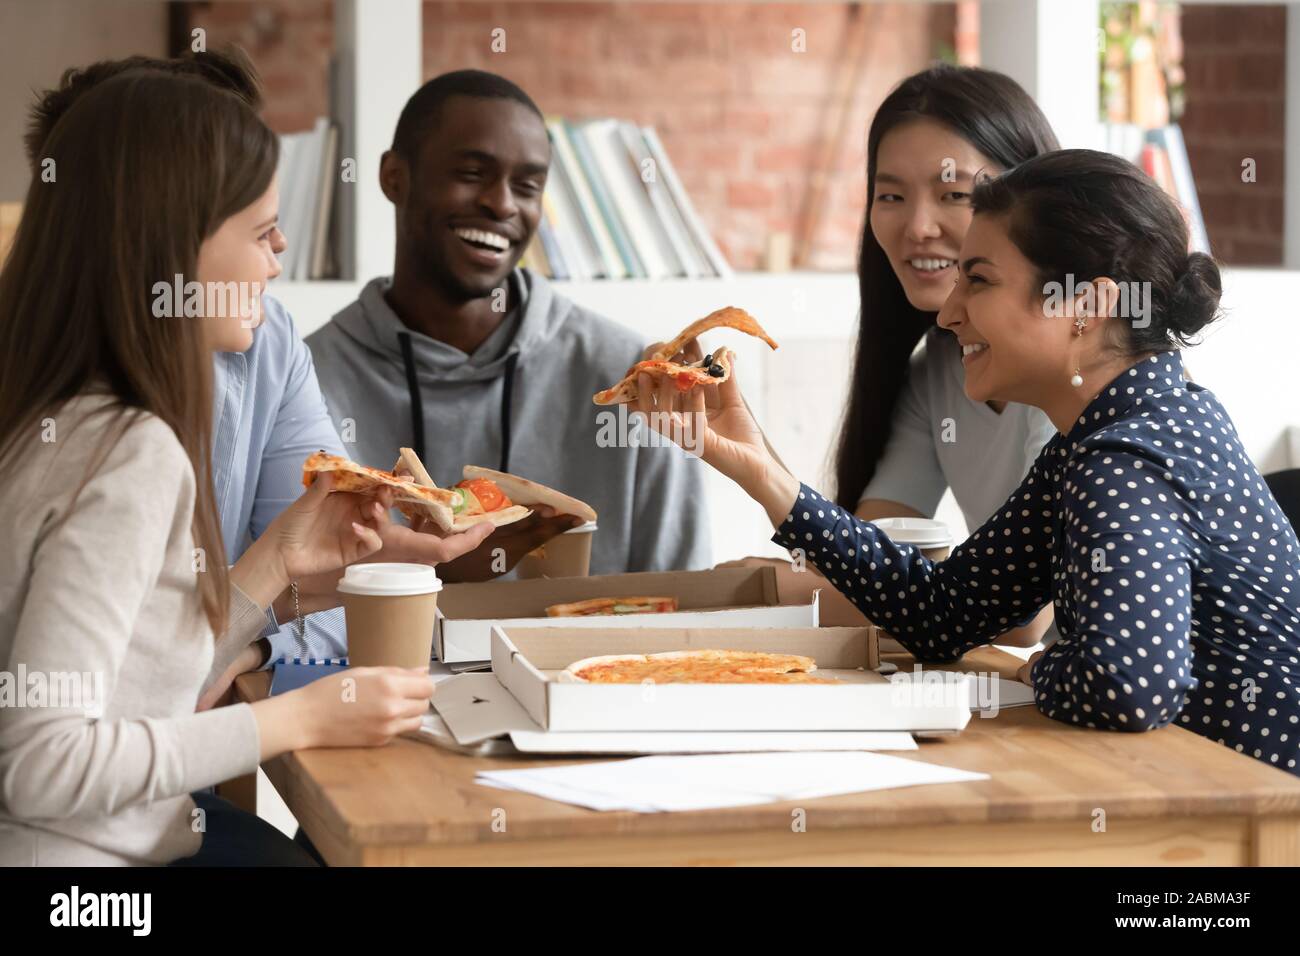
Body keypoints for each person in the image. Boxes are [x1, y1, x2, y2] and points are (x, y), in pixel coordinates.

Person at [633, 149, 1300, 776]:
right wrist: (763, 473)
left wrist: (1026, 668)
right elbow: (943, 610)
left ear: (1085, 306)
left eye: (976, 281)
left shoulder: (1123, 458)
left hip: (1246, 821)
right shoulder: (1121, 430)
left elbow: (1126, 689)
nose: (949, 313)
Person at [0, 66, 443, 865]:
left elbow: (138, 691)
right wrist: (302, 719)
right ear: (174, 242)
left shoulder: (71, 416)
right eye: (260, 231)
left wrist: (279, 556)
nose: (276, 262)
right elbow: (39, 765)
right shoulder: (129, 452)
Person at [21, 50, 494, 674]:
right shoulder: (115, 443)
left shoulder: (265, 343)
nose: (278, 248)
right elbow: (69, 741)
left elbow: (276, 592)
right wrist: (279, 710)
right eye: (251, 219)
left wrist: (261, 631)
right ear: (158, 222)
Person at [306, 70, 711, 580]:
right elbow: (284, 609)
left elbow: (681, 609)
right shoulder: (306, 379)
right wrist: (434, 573)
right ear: (394, 177)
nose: (501, 204)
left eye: (527, 186)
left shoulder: (629, 378)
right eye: (472, 173)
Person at [723, 65, 1060, 647]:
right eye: (891, 196)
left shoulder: (1077, 364)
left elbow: (1022, 615)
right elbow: (873, 558)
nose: (918, 226)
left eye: (955, 195)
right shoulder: (936, 369)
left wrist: (765, 586)